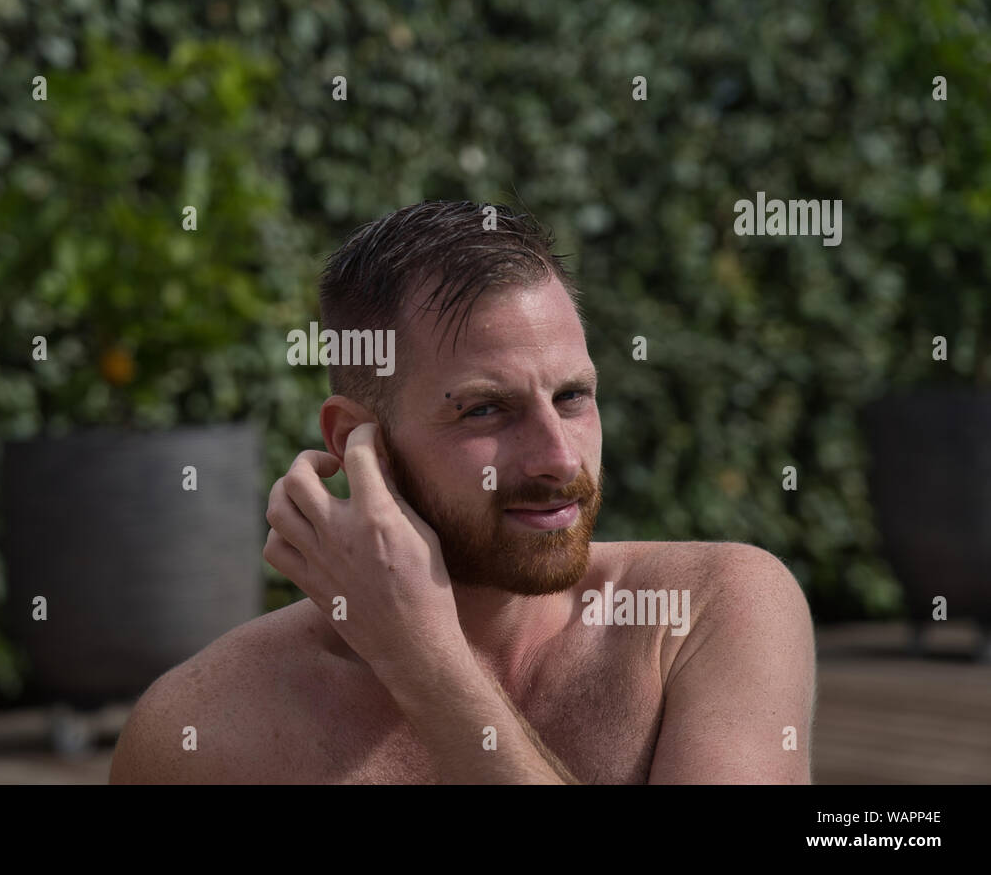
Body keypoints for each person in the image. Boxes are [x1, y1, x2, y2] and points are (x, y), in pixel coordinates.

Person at [110, 200, 815, 783]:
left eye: (572, 397)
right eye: (484, 410)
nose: (558, 457)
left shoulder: (707, 611)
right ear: (357, 441)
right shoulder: (206, 728)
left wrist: (425, 659)